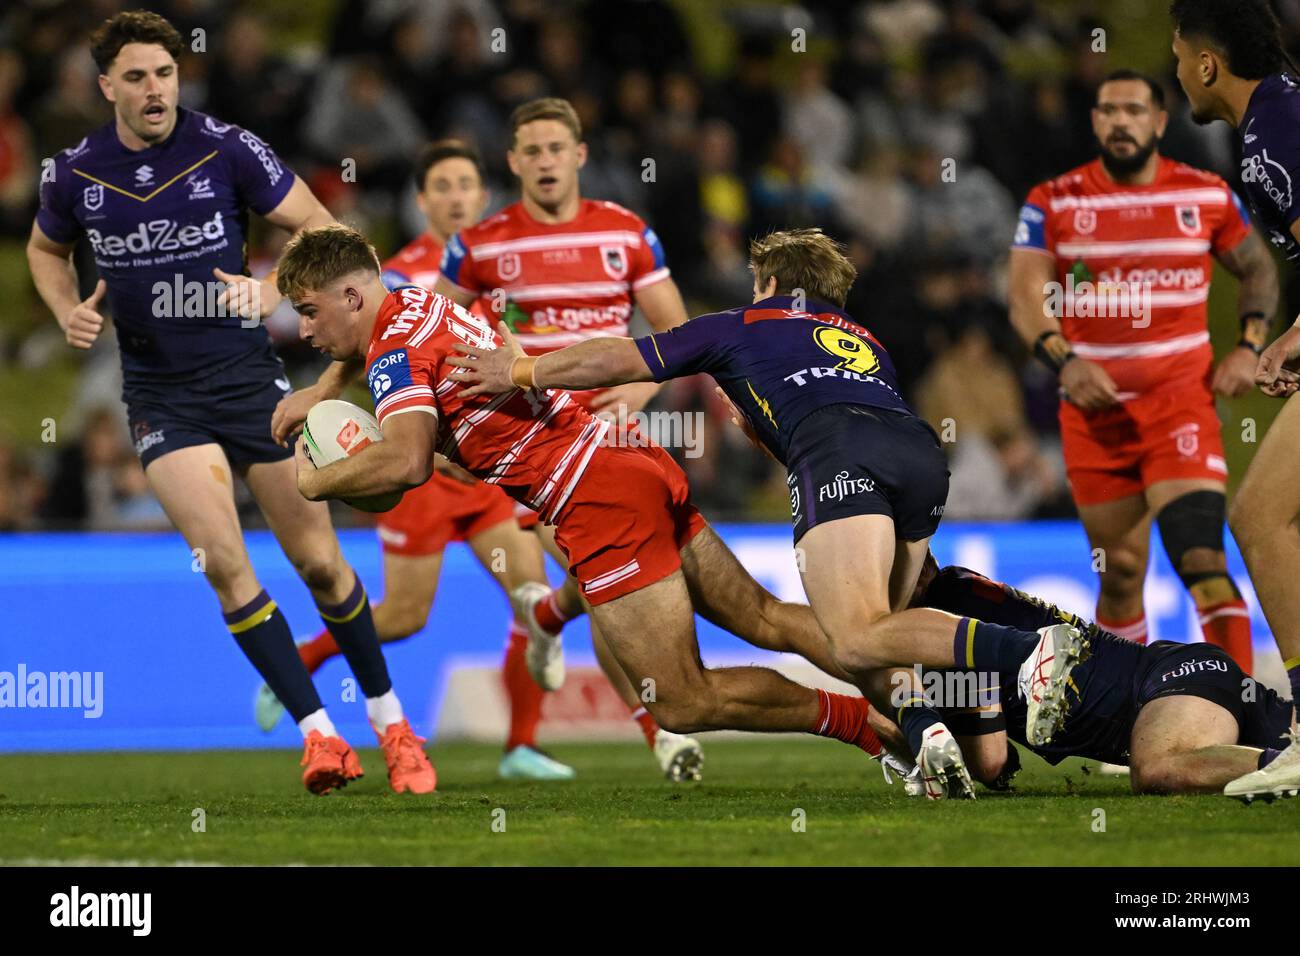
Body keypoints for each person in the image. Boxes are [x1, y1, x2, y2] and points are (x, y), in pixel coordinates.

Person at [450, 225, 1085, 798]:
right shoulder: (860, 337)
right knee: (892, 626)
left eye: (759, 283)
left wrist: (524, 367)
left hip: (838, 453)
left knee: (856, 635)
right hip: (918, 453)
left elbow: (621, 357)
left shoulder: (741, 324)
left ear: (773, 282)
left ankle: (1029, 651)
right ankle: (940, 731)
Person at [24, 11, 433, 796]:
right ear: (105, 85)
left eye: (166, 74)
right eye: (137, 76)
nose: (154, 90)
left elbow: (325, 227)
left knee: (319, 560)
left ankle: (393, 727)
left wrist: (274, 283)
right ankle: (319, 737)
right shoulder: (72, 172)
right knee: (225, 566)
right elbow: (47, 249)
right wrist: (62, 308)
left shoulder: (227, 147)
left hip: (250, 382)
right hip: (158, 394)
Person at [264, 140, 575, 781]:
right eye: (444, 186)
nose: (458, 196)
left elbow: (493, 333)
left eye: (468, 184)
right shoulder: (392, 274)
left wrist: (524, 375)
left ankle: (522, 744)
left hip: (476, 453)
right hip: (421, 452)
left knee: (530, 592)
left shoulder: (490, 266)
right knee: (406, 614)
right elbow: (375, 346)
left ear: (483, 195)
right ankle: (308, 659)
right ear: (423, 200)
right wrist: (322, 391)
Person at [432, 98, 707, 777]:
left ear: (580, 155)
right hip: (533, 443)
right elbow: (431, 335)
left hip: (615, 438)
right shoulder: (479, 245)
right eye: (532, 150)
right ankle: (661, 733)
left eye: (558, 148)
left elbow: (678, 338)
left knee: (626, 575)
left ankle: (549, 616)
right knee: (603, 572)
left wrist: (639, 390)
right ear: (514, 161)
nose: (546, 161)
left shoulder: (627, 233)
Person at [1008, 69, 1277, 676]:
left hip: (1179, 407)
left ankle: (1240, 706)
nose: (1120, 121)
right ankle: (1129, 721)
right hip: (1094, 418)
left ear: (1159, 121)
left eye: (1133, 110)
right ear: (1095, 121)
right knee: (1122, 573)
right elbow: (1026, 301)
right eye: (1107, 110)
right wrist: (1066, 362)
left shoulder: (1206, 195)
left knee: (1200, 557)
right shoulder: (1053, 200)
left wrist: (1249, 345)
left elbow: (1259, 269)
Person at [1170, 0, 1300, 801]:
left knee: (1259, 517)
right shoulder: (1282, 115)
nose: (1176, 69)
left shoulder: (1272, 136)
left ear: (1208, 64)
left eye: (1179, 54)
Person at [882, 555, 1292, 798]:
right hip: (1177, 679)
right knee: (1282, 726)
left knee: (1159, 767)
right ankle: (1282, 763)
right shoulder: (958, 589)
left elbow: (990, 761)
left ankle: (1286, 769)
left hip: (1168, 682)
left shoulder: (943, 620)